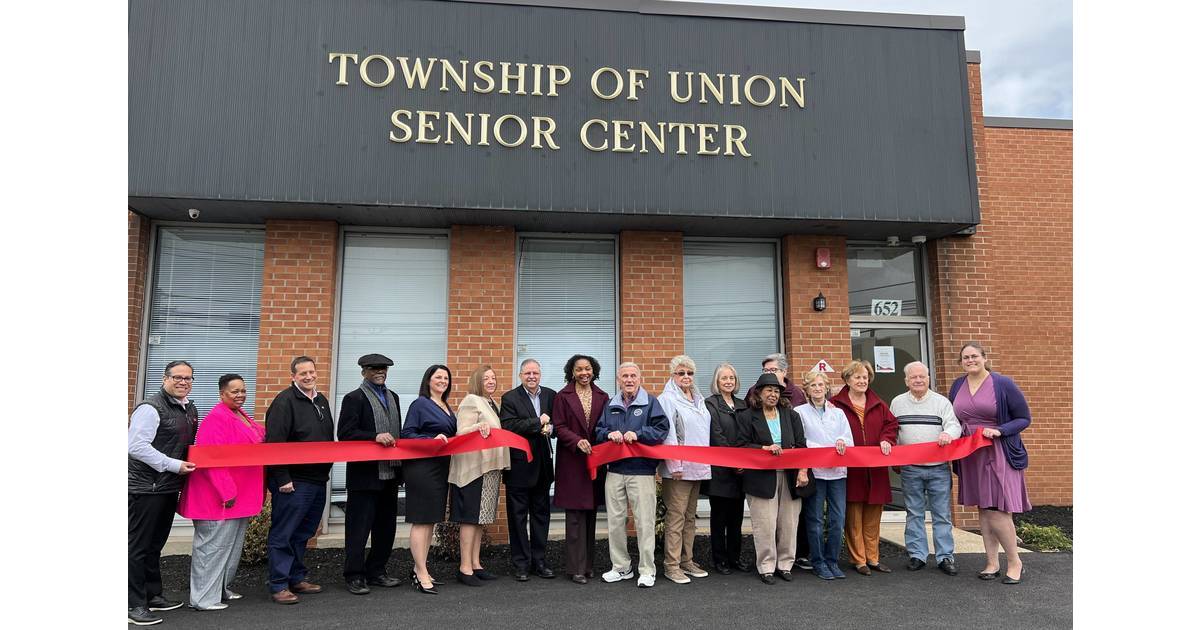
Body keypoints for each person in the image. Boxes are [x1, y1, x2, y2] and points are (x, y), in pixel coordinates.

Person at [178, 373, 265, 610]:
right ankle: (203, 599)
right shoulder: (216, 419)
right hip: (217, 497)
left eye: (243, 390)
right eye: (234, 391)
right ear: (222, 394)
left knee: (230, 547)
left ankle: (220, 589)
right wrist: (227, 492)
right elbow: (210, 459)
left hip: (239, 495)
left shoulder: (240, 414)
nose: (240, 395)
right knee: (212, 548)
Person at [948, 342, 1032, 585]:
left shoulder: (1002, 383)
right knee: (984, 509)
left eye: (974, 356)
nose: (970, 360)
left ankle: (1015, 562)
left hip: (997, 452)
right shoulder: (957, 385)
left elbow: (1024, 418)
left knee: (997, 509)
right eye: (966, 357)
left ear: (984, 358)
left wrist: (1000, 430)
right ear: (961, 362)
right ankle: (992, 563)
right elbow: (954, 419)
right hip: (971, 454)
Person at [128, 360, 198, 626]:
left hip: (167, 486)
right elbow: (136, 446)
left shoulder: (188, 408)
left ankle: (152, 595)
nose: (183, 382)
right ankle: (133, 604)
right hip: (146, 487)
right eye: (177, 377)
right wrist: (173, 465)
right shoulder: (150, 408)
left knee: (154, 544)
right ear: (164, 378)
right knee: (137, 547)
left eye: (188, 378)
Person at [265, 356, 334, 604]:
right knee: (284, 533)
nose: (308, 376)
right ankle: (279, 584)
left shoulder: (321, 400)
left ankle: (296, 577)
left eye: (311, 372)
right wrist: (282, 477)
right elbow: (274, 442)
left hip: (317, 479)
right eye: (302, 373)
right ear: (293, 376)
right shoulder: (284, 402)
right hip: (293, 482)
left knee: (303, 532)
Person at [336, 354, 404, 595]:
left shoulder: (393, 397)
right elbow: (345, 433)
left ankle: (376, 571)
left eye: (383, 368)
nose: (380, 372)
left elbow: (398, 433)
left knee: (386, 528)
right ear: (363, 371)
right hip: (365, 476)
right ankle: (354, 575)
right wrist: (373, 436)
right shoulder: (353, 398)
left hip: (390, 474)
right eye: (374, 369)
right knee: (358, 529)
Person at [597, 362, 669, 588]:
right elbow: (598, 431)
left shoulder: (651, 403)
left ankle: (647, 570)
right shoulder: (611, 404)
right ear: (618, 380)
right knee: (615, 522)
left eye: (633, 376)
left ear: (639, 378)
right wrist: (609, 434)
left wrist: (638, 434)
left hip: (641, 471)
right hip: (614, 470)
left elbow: (661, 430)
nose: (629, 380)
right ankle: (621, 567)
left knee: (644, 522)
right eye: (625, 376)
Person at [737, 372, 810, 585]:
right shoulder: (747, 416)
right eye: (768, 390)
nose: (773, 394)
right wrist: (763, 448)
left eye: (777, 391)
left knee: (789, 523)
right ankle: (766, 566)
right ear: (758, 393)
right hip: (760, 478)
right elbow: (741, 446)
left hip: (790, 476)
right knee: (765, 524)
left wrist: (803, 471)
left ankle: (785, 564)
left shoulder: (791, 415)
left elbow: (802, 446)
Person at [892, 361, 963, 576]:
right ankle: (917, 555)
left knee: (942, 514)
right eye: (913, 377)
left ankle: (945, 557)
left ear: (929, 379)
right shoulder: (897, 403)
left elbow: (954, 425)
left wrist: (948, 434)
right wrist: (894, 455)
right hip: (910, 468)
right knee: (914, 513)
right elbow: (892, 430)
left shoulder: (941, 402)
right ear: (906, 381)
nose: (918, 380)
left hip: (938, 468)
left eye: (922, 376)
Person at [829, 359, 898, 576]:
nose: (862, 381)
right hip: (851, 469)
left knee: (873, 517)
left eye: (865, 377)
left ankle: (873, 558)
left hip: (875, 469)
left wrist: (886, 439)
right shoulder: (834, 404)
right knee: (853, 516)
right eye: (857, 377)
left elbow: (891, 425)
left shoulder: (878, 403)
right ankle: (859, 560)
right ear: (847, 380)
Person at [449, 366, 511, 586]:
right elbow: (461, 432)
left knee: (479, 519)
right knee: (470, 518)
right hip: (473, 470)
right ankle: (464, 568)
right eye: (486, 378)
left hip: (489, 469)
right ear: (477, 381)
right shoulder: (471, 400)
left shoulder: (492, 403)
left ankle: (475, 564)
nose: (491, 381)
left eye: (493, 378)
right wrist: (478, 426)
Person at [550, 354, 610, 585]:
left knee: (591, 514)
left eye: (588, 369)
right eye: (579, 369)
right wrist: (576, 441)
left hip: (595, 460)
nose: (584, 373)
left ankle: (588, 566)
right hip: (572, 461)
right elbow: (559, 426)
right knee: (575, 516)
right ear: (572, 372)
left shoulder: (603, 396)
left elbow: (605, 425)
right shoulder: (562, 396)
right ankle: (575, 568)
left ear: (594, 371)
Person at [499, 359, 557, 581]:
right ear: (520, 375)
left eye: (535, 373)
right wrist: (537, 422)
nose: (532, 376)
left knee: (541, 516)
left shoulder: (550, 395)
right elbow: (509, 426)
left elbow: (558, 424)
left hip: (543, 466)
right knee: (518, 518)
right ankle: (521, 564)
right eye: (527, 373)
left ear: (540, 374)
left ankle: (539, 561)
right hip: (519, 467)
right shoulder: (510, 398)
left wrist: (551, 428)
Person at [401, 364, 456, 594]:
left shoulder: (446, 406)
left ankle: (419, 568)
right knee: (421, 520)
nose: (443, 381)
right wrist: (431, 439)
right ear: (428, 381)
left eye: (446, 378)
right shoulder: (420, 404)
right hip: (422, 468)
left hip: (440, 468)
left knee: (431, 520)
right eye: (438, 377)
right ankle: (421, 572)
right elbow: (407, 434)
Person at [658, 355, 712, 585]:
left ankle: (686, 560)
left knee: (690, 517)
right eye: (681, 373)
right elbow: (669, 434)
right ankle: (671, 565)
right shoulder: (667, 399)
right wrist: (675, 464)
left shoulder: (699, 398)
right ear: (673, 375)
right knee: (676, 518)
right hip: (678, 470)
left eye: (689, 373)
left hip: (697, 467)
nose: (686, 377)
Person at [795, 371, 853, 581]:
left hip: (837, 474)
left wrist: (841, 441)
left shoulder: (838, 413)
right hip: (815, 473)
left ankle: (832, 561)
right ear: (807, 390)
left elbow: (848, 439)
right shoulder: (799, 412)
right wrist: (823, 450)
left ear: (827, 388)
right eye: (813, 385)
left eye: (821, 385)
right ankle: (818, 561)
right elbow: (801, 440)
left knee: (837, 519)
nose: (817, 389)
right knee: (815, 519)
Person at [703, 363, 751, 575]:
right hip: (720, 471)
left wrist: (742, 461)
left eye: (731, 378)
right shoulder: (710, 404)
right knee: (719, 518)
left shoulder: (742, 404)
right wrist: (733, 461)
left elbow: (747, 433)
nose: (728, 381)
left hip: (741, 471)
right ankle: (720, 559)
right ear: (717, 381)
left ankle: (734, 558)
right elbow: (716, 434)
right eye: (724, 378)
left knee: (736, 518)